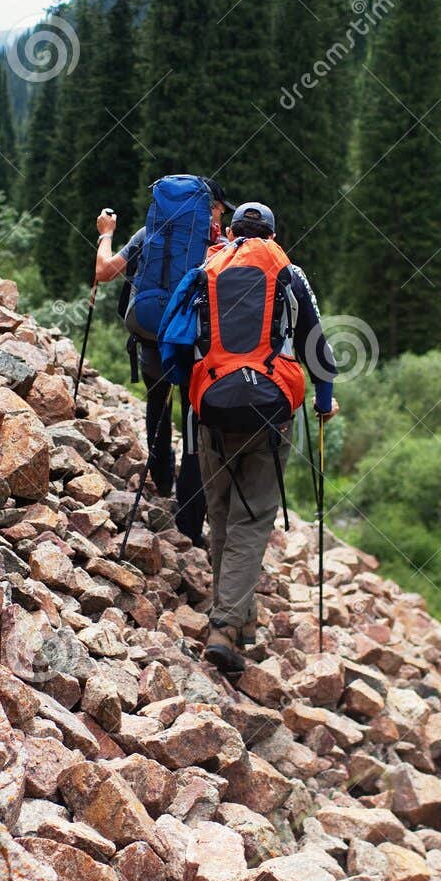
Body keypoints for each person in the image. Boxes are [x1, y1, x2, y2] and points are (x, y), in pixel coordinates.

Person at [162, 200, 338, 674]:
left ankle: (241, 626)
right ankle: (223, 627)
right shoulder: (289, 275)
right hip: (271, 411)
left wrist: (188, 392)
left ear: (233, 232)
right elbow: (316, 344)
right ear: (274, 236)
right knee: (253, 517)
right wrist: (324, 401)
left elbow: (176, 339)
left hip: (212, 409)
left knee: (221, 514)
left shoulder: (205, 269)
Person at [95, 179, 227, 496]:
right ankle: (190, 503)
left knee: (157, 405)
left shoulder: (151, 235)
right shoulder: (219, 247)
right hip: (194, 345)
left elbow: (104, 272)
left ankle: (162, 482)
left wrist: (106, 234)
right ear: (210, 210)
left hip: (152, 336)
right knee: (196, 416)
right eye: (222, 210)